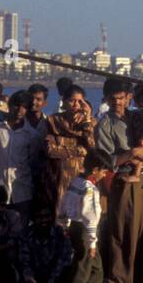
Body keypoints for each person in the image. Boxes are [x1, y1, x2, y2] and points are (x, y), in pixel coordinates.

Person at [95, 77, 143, 283]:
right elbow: (107, 160)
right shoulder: (105, 125)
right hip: (122, 180)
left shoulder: (140, 117)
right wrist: (132, 153)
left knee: (142, 233)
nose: (117, 102)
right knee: (120, 235)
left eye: (121, 98)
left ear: (129, 98)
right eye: (113, 98)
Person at [55, 150, 111, 283]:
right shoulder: (90, 189)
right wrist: (92, 243)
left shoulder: (75, 182)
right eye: (103, 171)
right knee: (82, 270)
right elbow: (91, 218)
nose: (104, 174)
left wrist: (65, 223)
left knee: (96, 266)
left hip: (75, 228)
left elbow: (65, 204)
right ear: (95, 170)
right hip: (85, 232)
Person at [0, 90, 44, 224]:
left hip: (22, 190)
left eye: (24, 107)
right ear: (10, 105)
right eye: (17, 105)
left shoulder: (32, 135)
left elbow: (32, 161)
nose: (20, 110)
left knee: (20, 230)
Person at [41, 85, 97, 218]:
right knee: (59, 215)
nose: (76, 105)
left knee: (81, 215)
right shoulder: (53, 121)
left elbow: (92, 147)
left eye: (80, 101)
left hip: (81, 175)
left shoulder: (90, 123)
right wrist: (78, 150)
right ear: (64, 102)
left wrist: (87, 120)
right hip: (58, 174)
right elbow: (50, 150)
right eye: (72, 101)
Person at [20, 204, 74, 283]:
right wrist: (31, 281)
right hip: (36, 276)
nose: (44, 220)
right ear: (33, 218)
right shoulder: (27, 234)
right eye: (40, 217)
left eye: (47, 216)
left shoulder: (60, 233)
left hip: (56, 276)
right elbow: (25, 261)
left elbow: (62, 262)